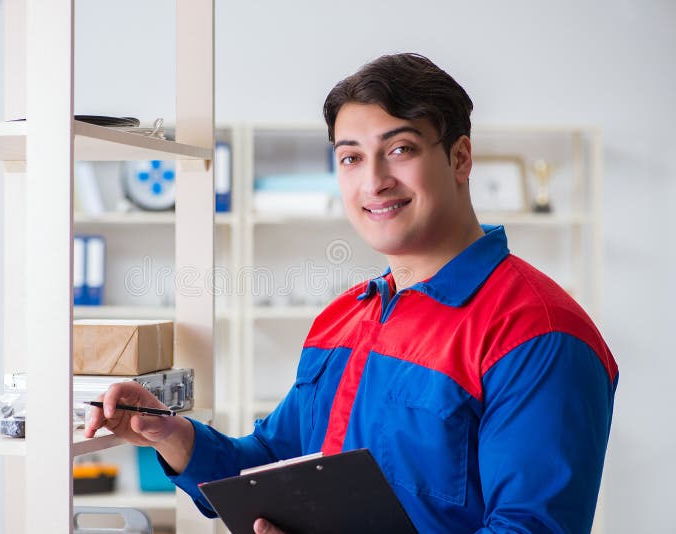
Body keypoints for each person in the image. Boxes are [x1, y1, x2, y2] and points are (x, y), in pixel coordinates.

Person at [85, 53, 618, 533]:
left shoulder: (537, 332)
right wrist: (169, 433)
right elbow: (274, 464)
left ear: (460, 159)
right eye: (351, 158)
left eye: (400, 149)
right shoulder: (343, 321)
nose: (374, 181)